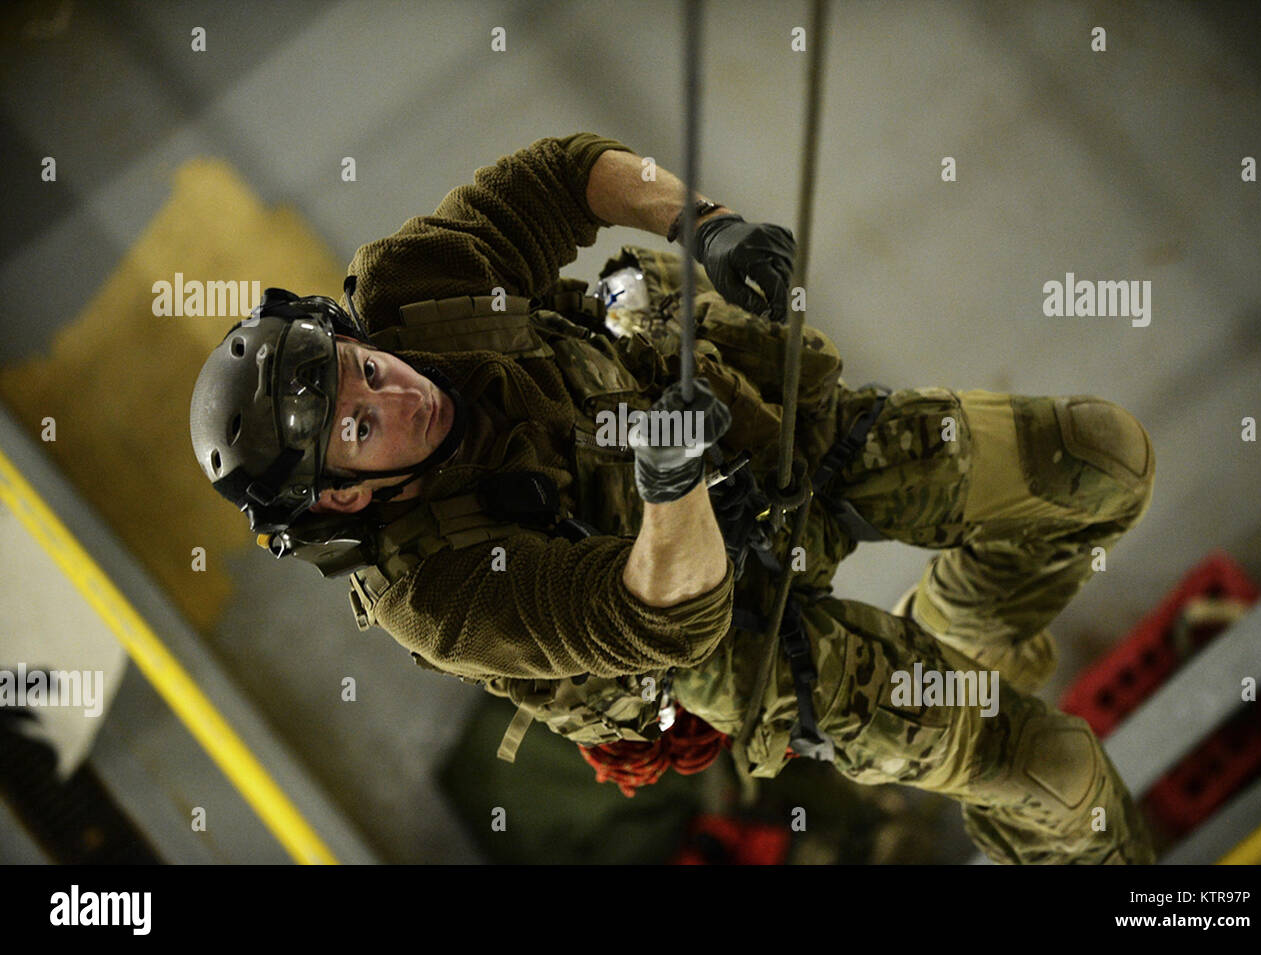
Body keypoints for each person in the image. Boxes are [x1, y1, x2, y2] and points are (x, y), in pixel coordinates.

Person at [189, 132, 1156, 864]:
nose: (399, 393)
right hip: (726, 634)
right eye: (362, 429)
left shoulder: (417, 286)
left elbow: (567, 173)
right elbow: (662, 614)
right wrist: (670, 482)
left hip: (764, 441)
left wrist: (705, 225)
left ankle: (969, 635)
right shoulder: (438, 593)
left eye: (364, 365)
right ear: (348, 501)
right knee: (1052, 772)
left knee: (1099, 460)